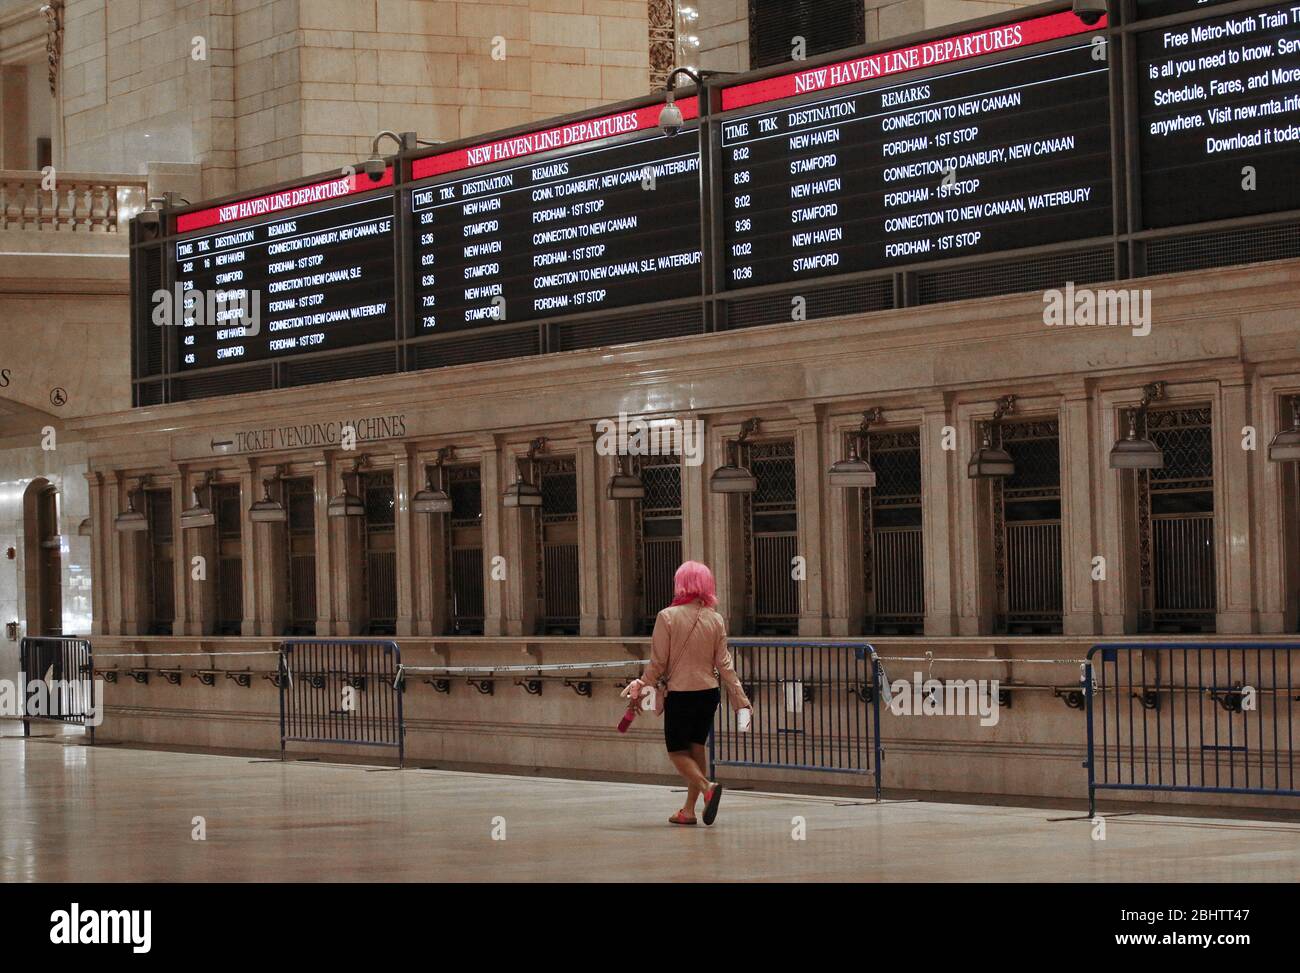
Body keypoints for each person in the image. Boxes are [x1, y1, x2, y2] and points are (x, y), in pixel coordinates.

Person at [626, 561, 752, 826]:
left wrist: (641, 684)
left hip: (681, 693)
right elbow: (725, 664)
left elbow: (658, 663)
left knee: (676, 751)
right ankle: (688, 811)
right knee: (697, 748)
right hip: (708, 694)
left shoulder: (667, 617)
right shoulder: (715, 618)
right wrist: (740, 700)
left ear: (680, 583)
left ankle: (708, 787)